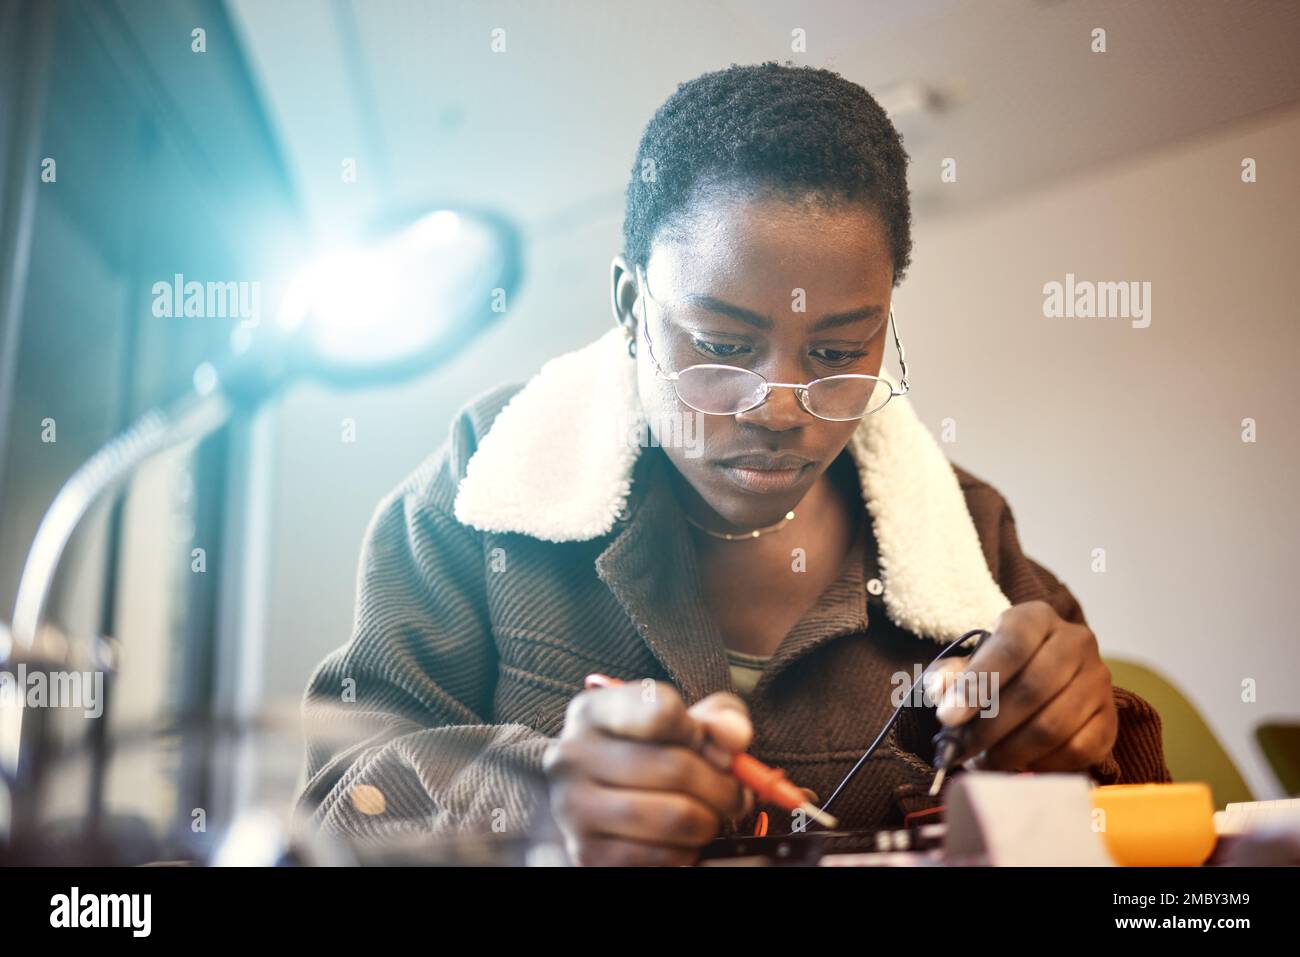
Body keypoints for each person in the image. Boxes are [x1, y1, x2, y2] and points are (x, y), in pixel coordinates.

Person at [295, 62, 1170, 866]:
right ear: (632, 304)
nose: (779, 408)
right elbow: (336, 802)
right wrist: (537, 801)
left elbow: (1148, 853)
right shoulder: (485, 486)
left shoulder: (972, 538)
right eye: (721, 343)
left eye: (836, 351)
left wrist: (1089, 740)